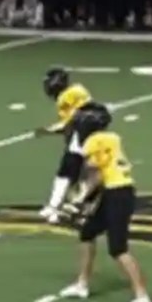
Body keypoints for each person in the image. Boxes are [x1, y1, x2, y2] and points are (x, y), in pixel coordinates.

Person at [54, 103, 152, 302]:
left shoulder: (92, 142)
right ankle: (82, 284)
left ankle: (142, 297)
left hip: (116, 194)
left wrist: (77, 200)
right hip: (120, 191)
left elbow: (95, 175)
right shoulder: (112, 137)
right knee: (87, 232)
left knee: (118, 248)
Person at [34, 67, 92, 221]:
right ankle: (80, 207)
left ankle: (54, 207)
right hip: (91, 137)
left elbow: (69, 123)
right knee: (82, 175)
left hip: (81, 137)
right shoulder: (78, 91)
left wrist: (48, 130)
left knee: (65, 173)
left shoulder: (67, 97)